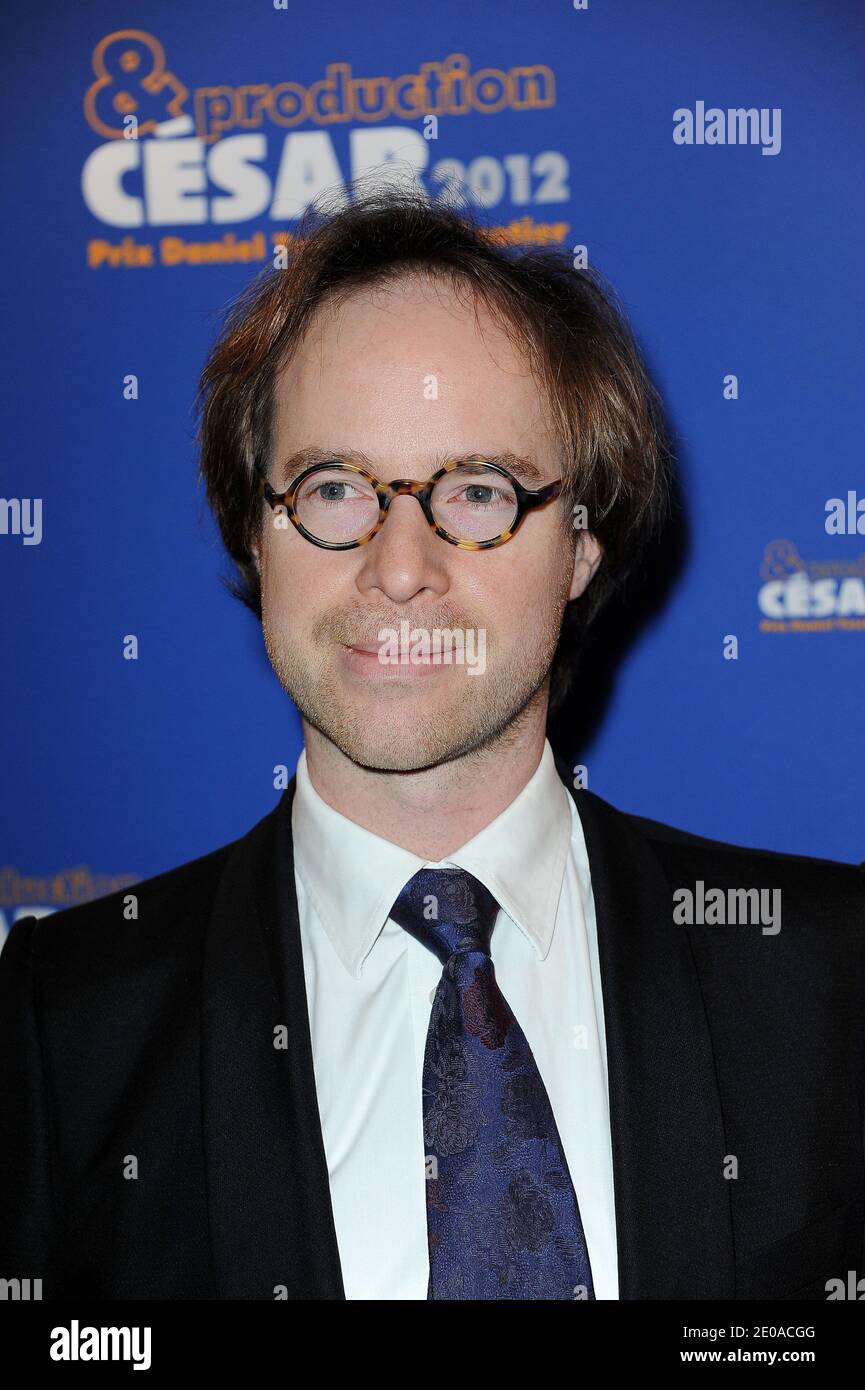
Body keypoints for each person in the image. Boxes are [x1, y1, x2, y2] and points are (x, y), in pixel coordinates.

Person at [1, 190, 863, 1301]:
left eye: (475, 490)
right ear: (254, 534)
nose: (399, 564)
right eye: (333, 487)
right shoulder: (63, 1024)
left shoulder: (832, 983)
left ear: (581, 547)